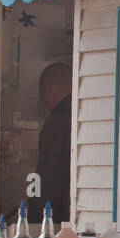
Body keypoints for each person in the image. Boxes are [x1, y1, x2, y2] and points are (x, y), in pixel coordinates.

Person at [36, 62, 72, 222]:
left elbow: (48, 180)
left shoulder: (55, 125)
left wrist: (36, 218)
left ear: (48, 86)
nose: (42, 100)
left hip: (56, 219)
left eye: (41, 92)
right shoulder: (79, 116)